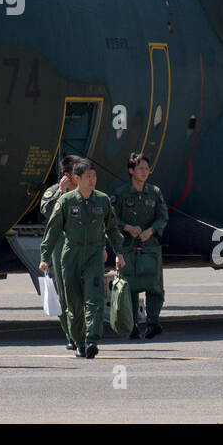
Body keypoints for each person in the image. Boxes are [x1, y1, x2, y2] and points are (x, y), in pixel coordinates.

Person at [38, 159, 123, 359]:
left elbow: (112, 227)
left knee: (94, 298)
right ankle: (78, 341)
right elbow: (52, 230)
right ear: (77, 178)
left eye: (94, 176)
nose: (92, 181)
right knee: (74, 303)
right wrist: (45, 256)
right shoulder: (65, 200)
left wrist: (118, 252)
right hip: (70, 254)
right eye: (88, 177)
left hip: (93, 254)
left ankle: (92, 339)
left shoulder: (102, 200)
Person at [110, 152, 169, 339]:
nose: (144, 172)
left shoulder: (155, 192)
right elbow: (111, 219)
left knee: (154, 286)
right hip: (128, 246)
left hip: (149, 247)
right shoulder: (121, 194)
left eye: (146, 168)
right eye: (140, 168)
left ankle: (153, 322)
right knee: (130, 287)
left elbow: (163, 217)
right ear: (131, 170)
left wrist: (151, 230)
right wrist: (127, 227)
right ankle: (132, 324)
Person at [38, 154, 80, 349]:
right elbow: (46, 211)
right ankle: (72, 335)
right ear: (66, 175)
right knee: (64, 296)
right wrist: (61, 192)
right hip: (60, 250)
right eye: (77, 172)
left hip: (82, 248)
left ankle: (82, 333)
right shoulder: (54, 192)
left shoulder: (85, 192)